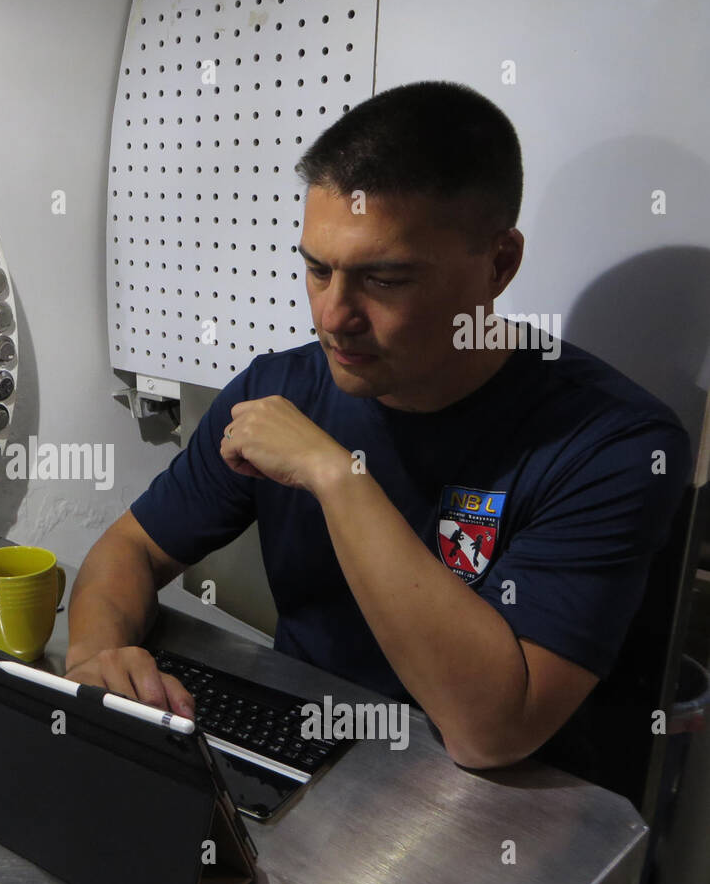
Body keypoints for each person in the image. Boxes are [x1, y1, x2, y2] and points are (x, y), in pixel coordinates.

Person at [65, 80, 692, 771]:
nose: (333, 316)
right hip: (304, 753)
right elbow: (128, 550)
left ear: (499, 263)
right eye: (317, 269)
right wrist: (98, 657)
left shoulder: (613, 444)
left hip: (494, 809)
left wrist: (336, 475)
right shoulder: (280, 387)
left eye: (386, 279)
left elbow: (491, 732)